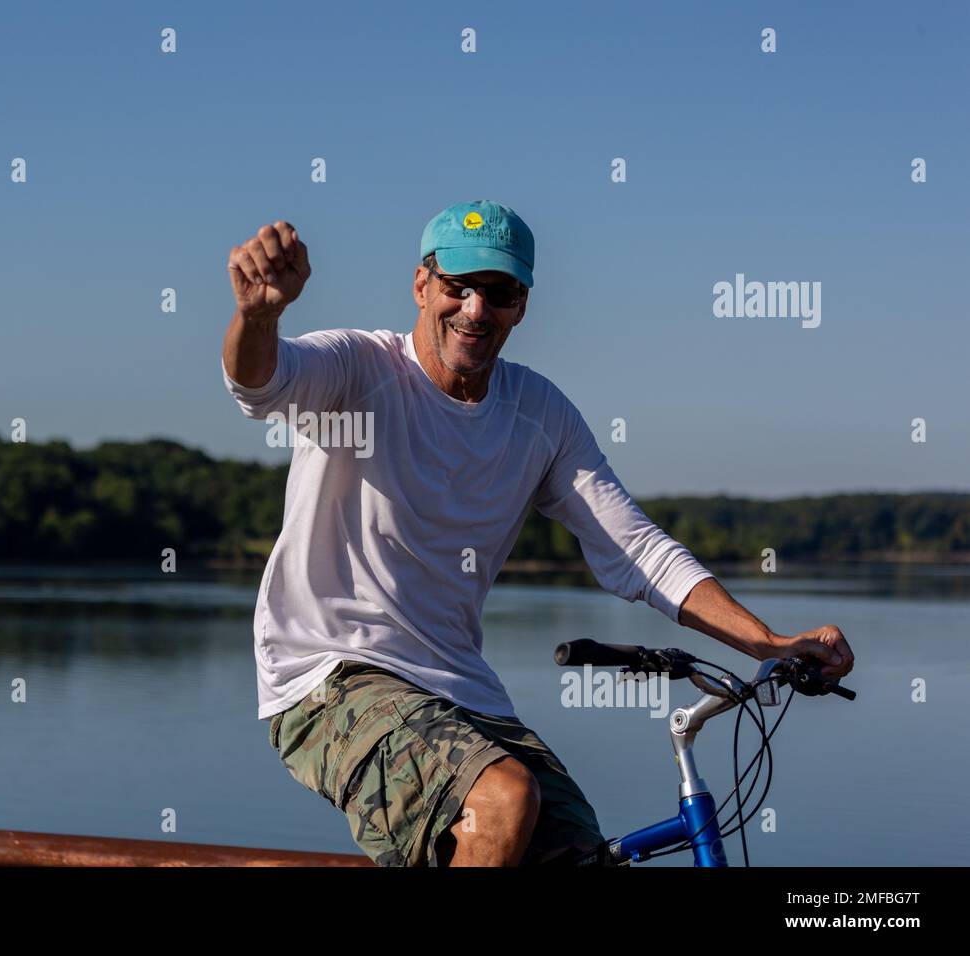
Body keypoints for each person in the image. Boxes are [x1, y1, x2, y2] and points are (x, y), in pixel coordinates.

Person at [220, 200, 855, 867]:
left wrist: (770, 642)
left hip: (461, 692)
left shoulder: (538, 415)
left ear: (521, 305)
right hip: (331, 673)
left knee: (580, 853)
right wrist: (258, 315)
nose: (474, 308)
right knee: (500, 800)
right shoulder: (357, 370)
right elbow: (258, 384)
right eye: (456, 286)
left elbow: (638, 550)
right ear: (420, 285)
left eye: (498, 292)